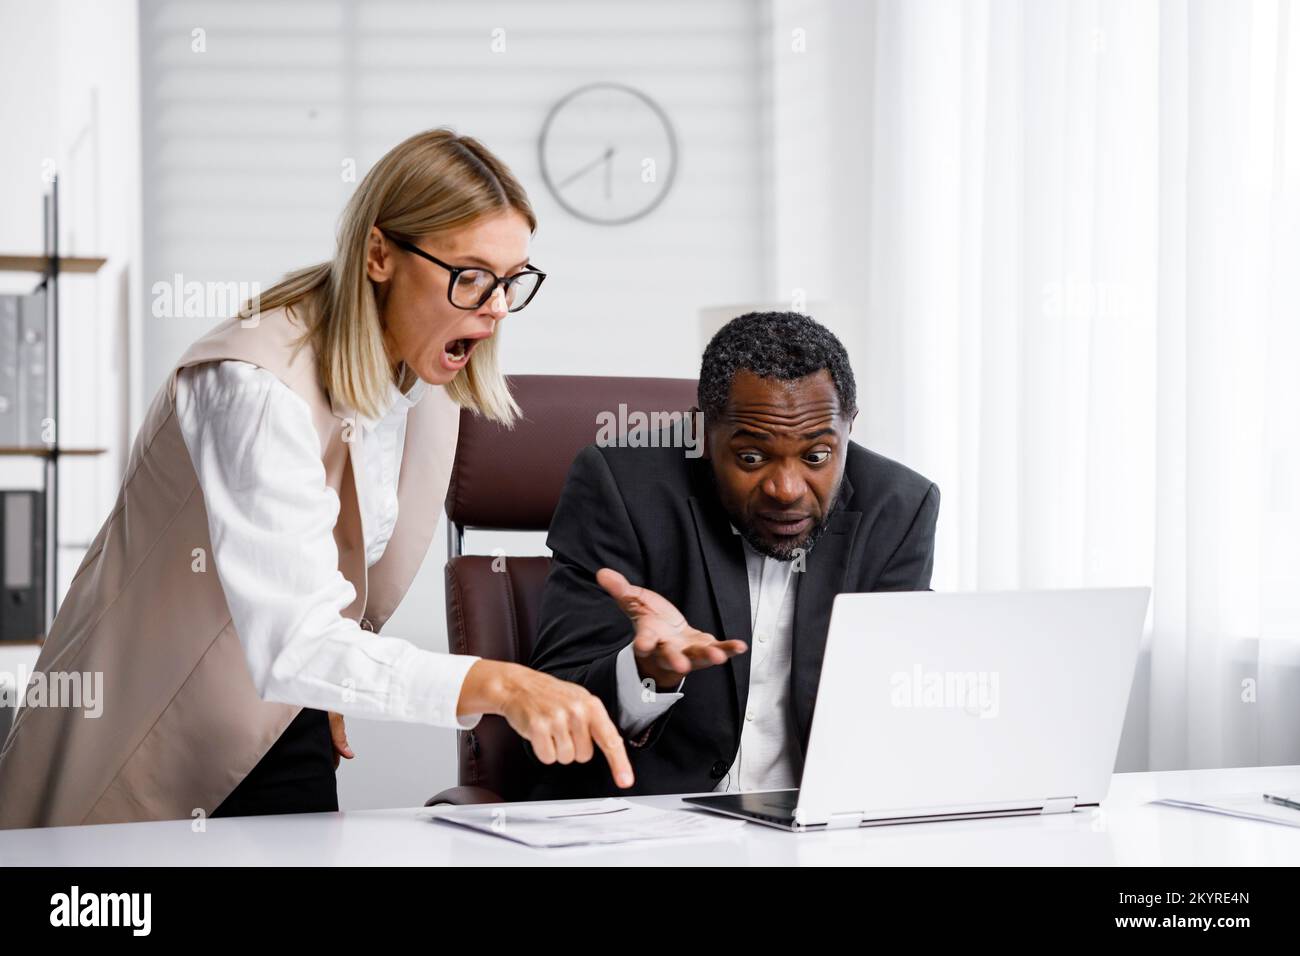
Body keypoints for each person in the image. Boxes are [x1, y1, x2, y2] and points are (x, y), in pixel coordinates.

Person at [0, 128, 631, 830]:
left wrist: (336, 674)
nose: (497, 307)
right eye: (472, 275)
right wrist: (498, 683)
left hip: (287, 709)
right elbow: (294, 639)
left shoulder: (426, 383)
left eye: (512, 280)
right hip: (152, 731)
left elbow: (324, 603)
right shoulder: (252, 385)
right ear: (380, 253)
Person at [527, 311, 939, 797]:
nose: (786, 490)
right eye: (751, 457)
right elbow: (554, 698)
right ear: (703, 433)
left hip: (814, 829)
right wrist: (644, 673)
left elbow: (895, 706)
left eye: (816, 457)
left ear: (849, 427)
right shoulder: (622, 488)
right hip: (652, 825)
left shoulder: (899, 507)